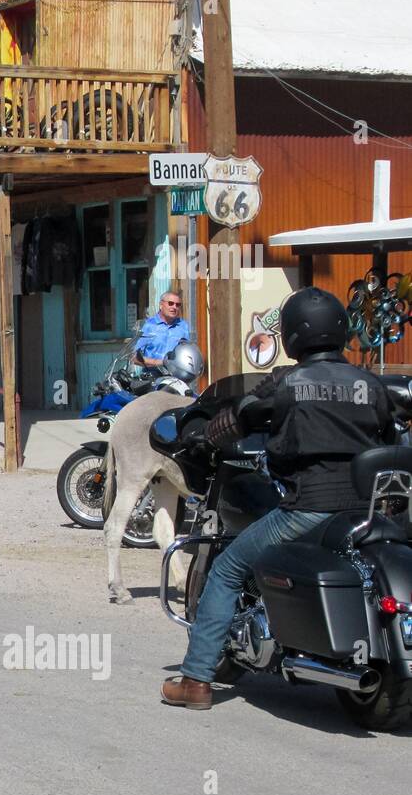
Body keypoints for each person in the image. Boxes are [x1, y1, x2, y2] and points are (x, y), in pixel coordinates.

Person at [161, 287, 396, 710]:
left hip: (307, 507)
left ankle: (195, 679)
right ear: (342, 330)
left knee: (230, 569)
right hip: (367, 508)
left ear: (292, 335)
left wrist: (210, 433)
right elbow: (388, 431)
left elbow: (244, 413)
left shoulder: (289, 382)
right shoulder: (368, 383)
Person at [135, 291, 192, 369]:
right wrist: (160, 363)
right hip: (152, 377)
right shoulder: (148, 326)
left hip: (176, 377)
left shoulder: (183, 326)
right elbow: (134, 358)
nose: (174, 307)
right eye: (171, 303)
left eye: (178, 305)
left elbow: (188, 353)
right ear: (161, 305)